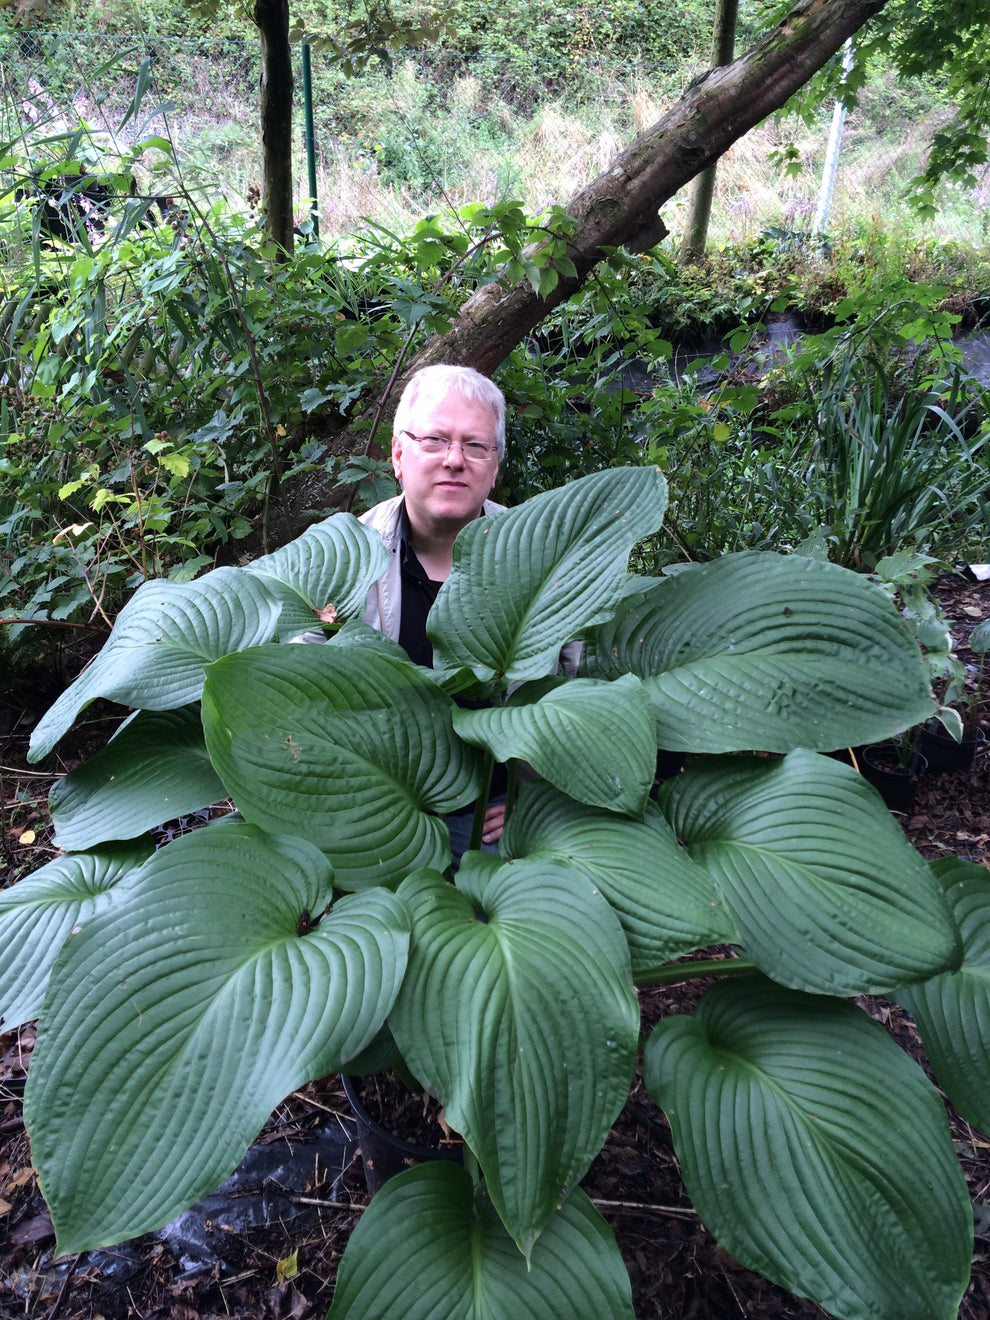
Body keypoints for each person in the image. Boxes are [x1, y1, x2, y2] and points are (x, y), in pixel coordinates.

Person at [359, 363, 509, 852]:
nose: (454, 459)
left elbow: (576, 688)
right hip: (376, 809)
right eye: (435, 440)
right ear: (399, 456)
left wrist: (540, 796)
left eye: (475, 445)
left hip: (498, 812)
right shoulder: (344, 557)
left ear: (495, 467)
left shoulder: (542, 559)